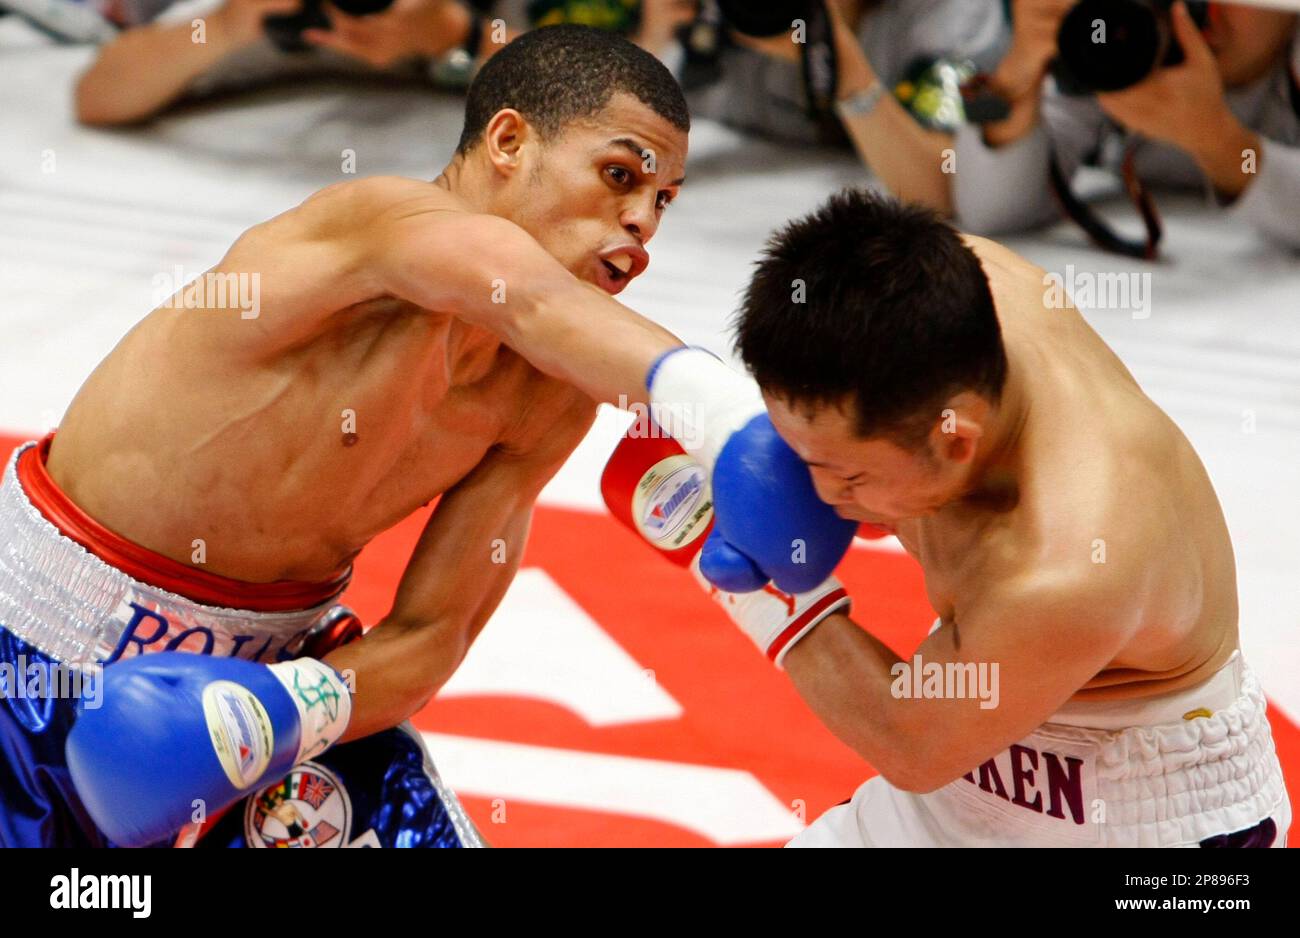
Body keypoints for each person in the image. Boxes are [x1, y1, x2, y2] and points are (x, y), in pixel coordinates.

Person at [0, 23, 689, 847]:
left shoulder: (549, 392)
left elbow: (435, 634)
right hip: (33, 657)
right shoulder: (376, 223)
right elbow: (521, 291)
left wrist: (289, 708)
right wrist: (718, 411)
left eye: (663, 200)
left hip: (265, 705)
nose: (643, 220)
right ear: (508, 139)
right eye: (620, 175)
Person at [436, 187, 1290, 846]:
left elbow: (911, 741)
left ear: (956, 441)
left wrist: (751, 577)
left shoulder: (1066, 560)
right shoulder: (945, 288)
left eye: (840, 474)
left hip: (1161, 835)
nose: (817, 491)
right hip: (974, 765)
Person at [949, 0, 1300, 253]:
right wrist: (1017, 76)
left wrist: (1221, 144)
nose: (1201, 8)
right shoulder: (1119, 36)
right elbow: (992, 211)